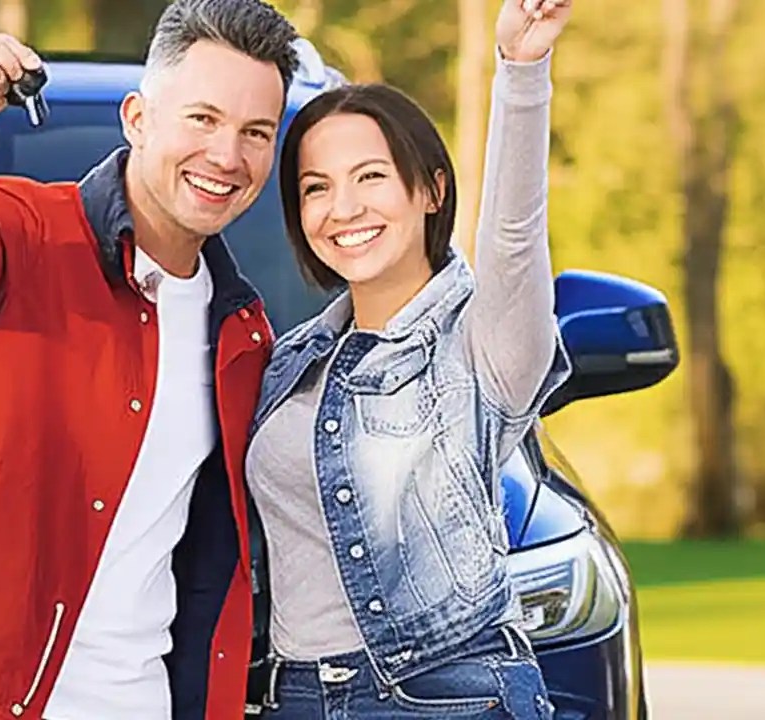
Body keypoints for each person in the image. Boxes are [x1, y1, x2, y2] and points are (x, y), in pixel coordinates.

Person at [0, 1, 299, 719]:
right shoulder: (24, 233)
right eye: (202, 118)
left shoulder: (243, 334)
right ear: (138, 118)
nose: (227, 156)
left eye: (255, 132)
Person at [244, 0, 574, 718]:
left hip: (444, 697)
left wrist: (522, 71)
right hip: (294, 697)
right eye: (316, 189)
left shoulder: (483, 344)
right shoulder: (289, 362)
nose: (343, 208)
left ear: (430, 189)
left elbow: (515, 238)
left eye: (371, 177)